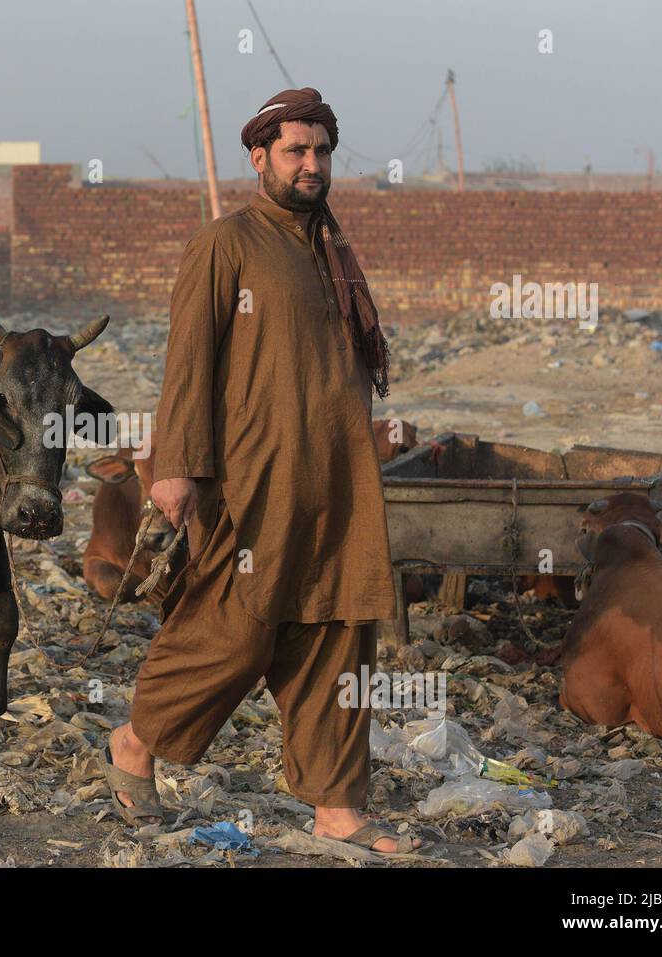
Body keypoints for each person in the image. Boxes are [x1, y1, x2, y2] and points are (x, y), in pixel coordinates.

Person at [101, 87, 420, 854]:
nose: (311, 164)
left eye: (320, 151)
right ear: (259, 159)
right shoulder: (228, 243)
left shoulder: (332, 252)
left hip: (336, 483)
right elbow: (189, 362)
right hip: (253, 481)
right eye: (295, 151)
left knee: (339, 636)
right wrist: (175, 467)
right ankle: (137, 742)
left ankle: (338, 808)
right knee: (234, 632)